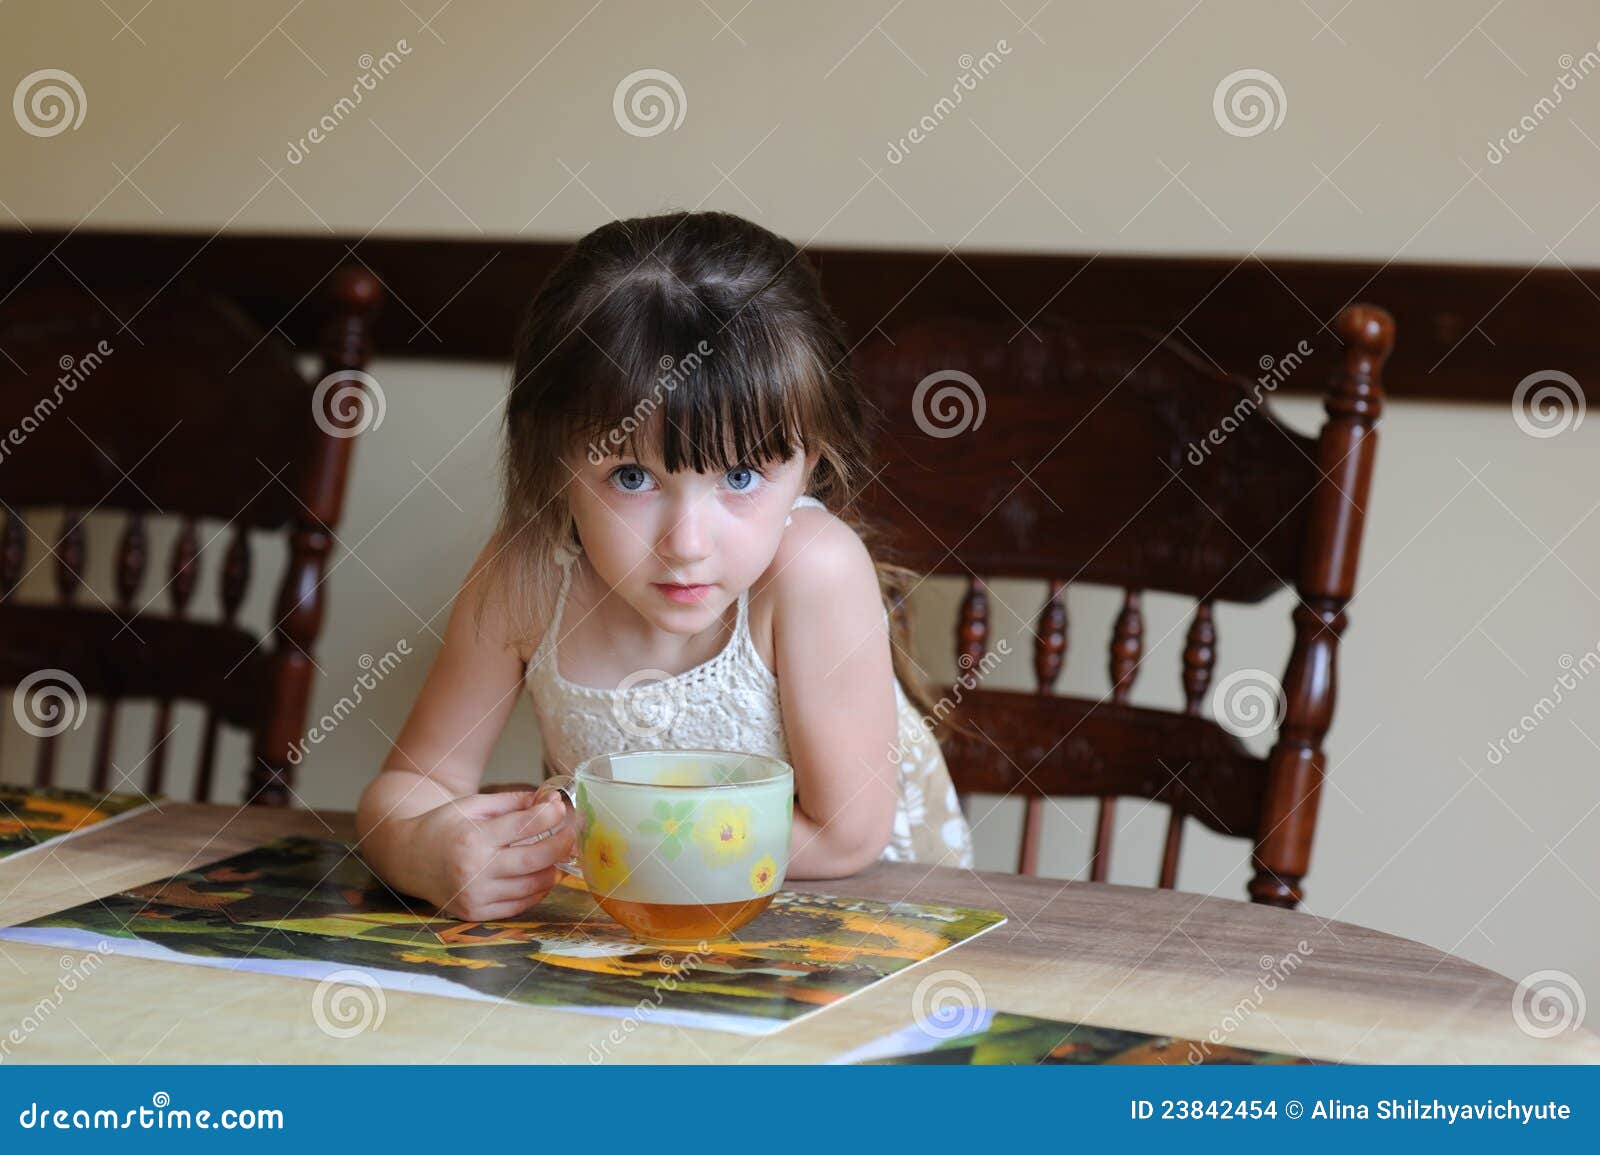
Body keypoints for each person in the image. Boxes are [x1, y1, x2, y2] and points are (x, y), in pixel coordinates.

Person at [356, 210, 973, 922]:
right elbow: (412, 782)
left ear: (811, 461)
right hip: (642, 934)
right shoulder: (527, 573)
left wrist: (596, 841)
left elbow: (844, 839)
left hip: (860, 926)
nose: (685, 541)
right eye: (630, 477)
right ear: (553, 463)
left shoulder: (813, 572)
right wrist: (426, 850)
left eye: (741, 477)